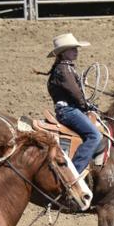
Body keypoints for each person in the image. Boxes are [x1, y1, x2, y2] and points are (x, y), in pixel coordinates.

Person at [46, 33, 102, 177]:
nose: (76, 51)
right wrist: (86, 106)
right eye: (72, 49)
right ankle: (74, 174)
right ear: (64, 53)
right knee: (95, 135)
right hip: (68, 111)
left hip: (69, 109)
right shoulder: (64, 69)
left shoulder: (65, 68)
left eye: (76, 48)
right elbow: (76, 93)